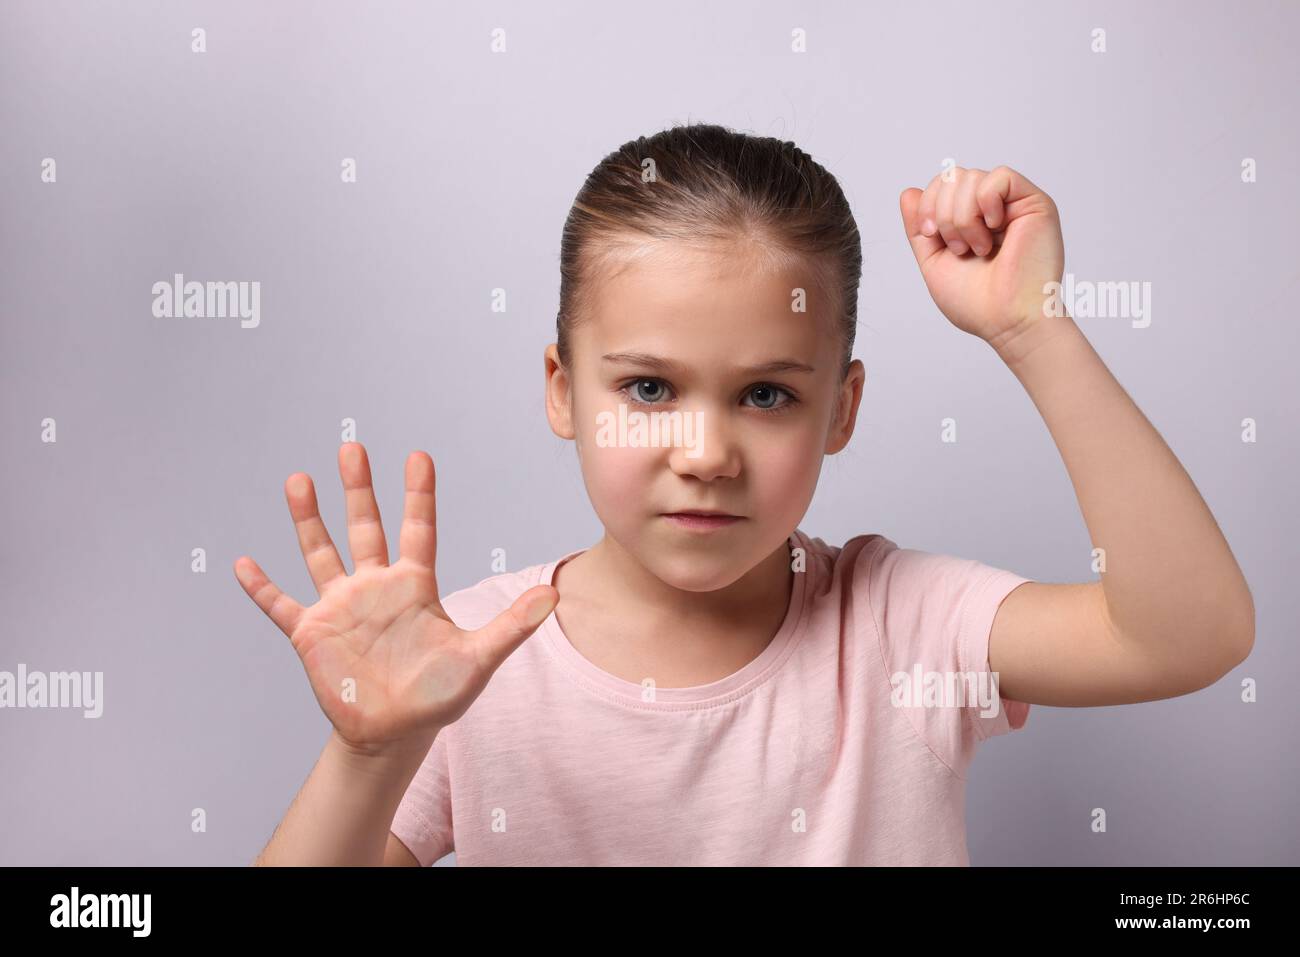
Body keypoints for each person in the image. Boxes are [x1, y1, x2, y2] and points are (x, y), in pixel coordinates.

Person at [235, 122, 1254, 866]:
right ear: (563, 391)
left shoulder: (901, 626)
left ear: (840, 411)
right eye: (647, 388)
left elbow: (1186, 635)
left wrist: (1032, 328)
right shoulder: (467, 659)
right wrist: (368, 752)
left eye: (766, 394)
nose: (707, 452)